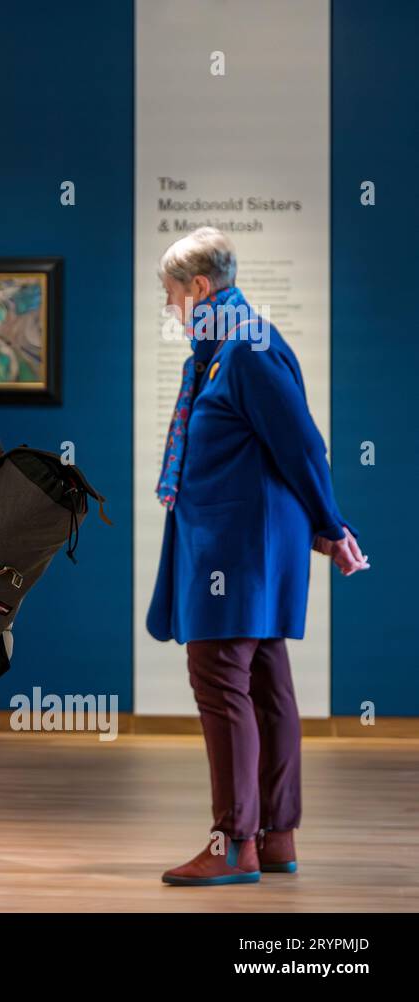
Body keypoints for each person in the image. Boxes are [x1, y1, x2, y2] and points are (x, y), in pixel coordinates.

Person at [148, 227, 368, 886]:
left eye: (171, 296)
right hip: (238, 554)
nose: (168, 309)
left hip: (237, 558)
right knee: (266, 687)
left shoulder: (247, 349)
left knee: (220, 683)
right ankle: (274, 838)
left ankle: (232, 843)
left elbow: (304, 447)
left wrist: (330, 525)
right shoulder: (224, 349)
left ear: (199, 289)